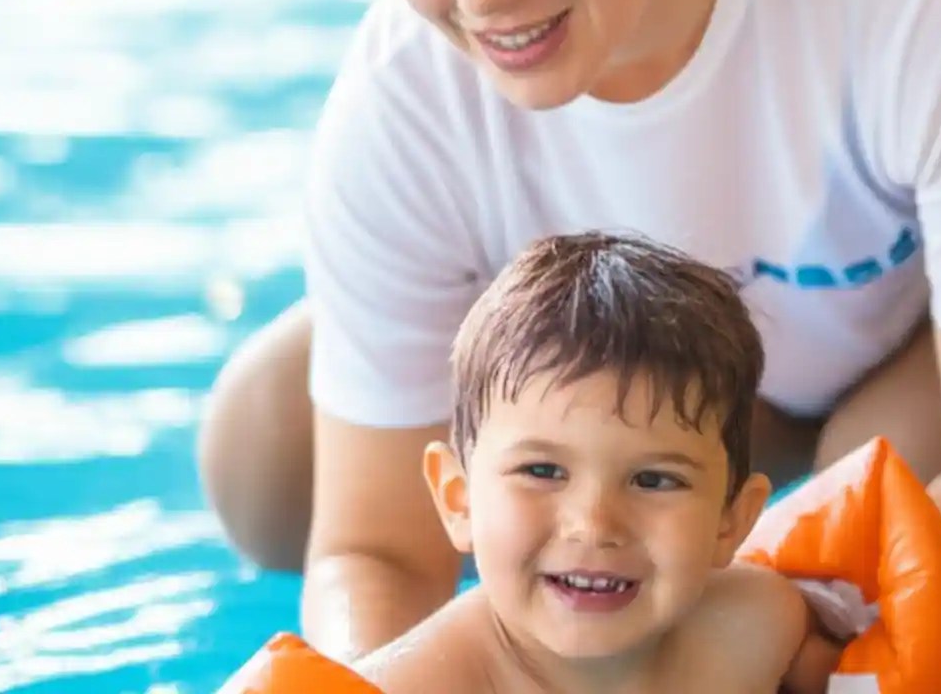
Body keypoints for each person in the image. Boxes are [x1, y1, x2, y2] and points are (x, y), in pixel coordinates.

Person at [198, 0, 941, 663]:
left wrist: (769, 648)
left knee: (888, 490)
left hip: (920, 348)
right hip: (649, 388)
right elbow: (372, 547)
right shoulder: (405, 90)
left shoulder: (929, 3)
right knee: (272, 451)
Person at [356, 231, 843, 693]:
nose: (594, 525)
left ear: (731, 520)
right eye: (542, 471)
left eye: (653, 480)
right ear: (459, 499)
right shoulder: (408, 686)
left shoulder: (755, 630)